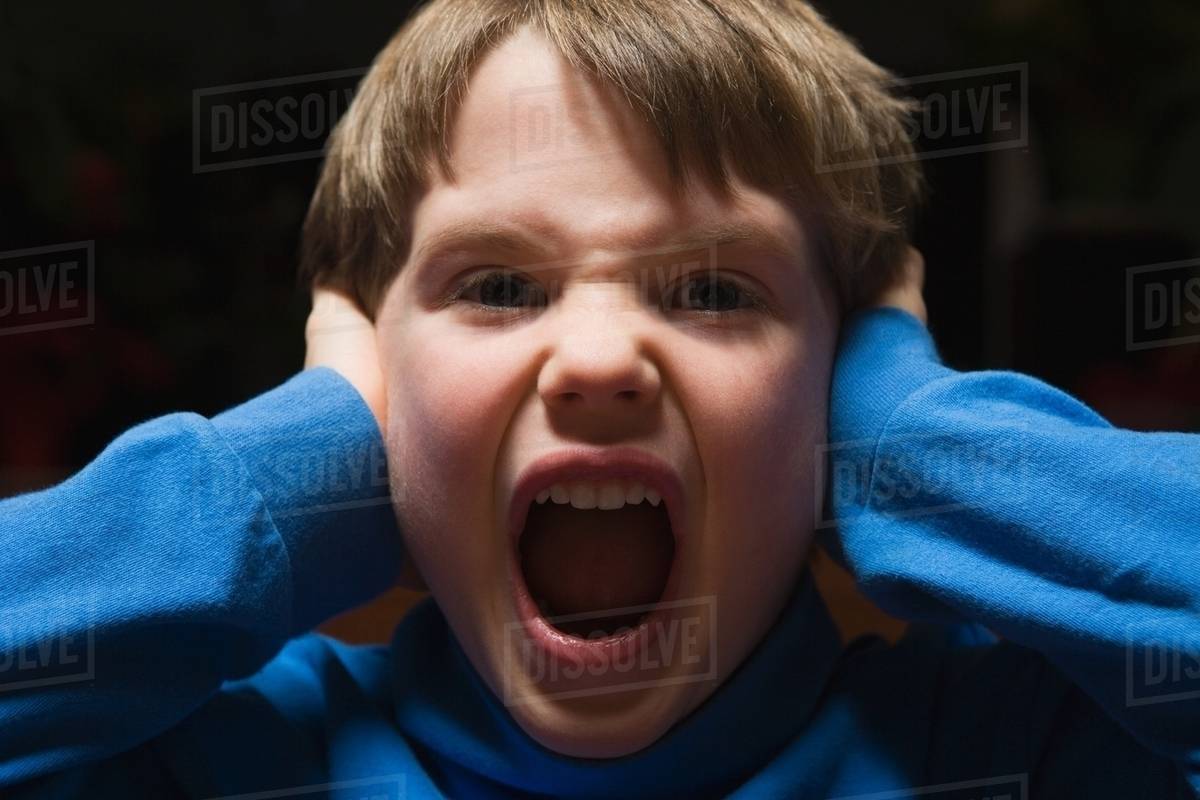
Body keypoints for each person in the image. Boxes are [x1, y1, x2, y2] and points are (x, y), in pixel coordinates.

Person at [2, 2, 1197, 797]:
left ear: (832, 385)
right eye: (501, 283)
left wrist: (916, 449)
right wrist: (281, 486)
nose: (596, 359)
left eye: (719, 288)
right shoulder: (229, 758)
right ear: (372, 373)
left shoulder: (1014, 751)